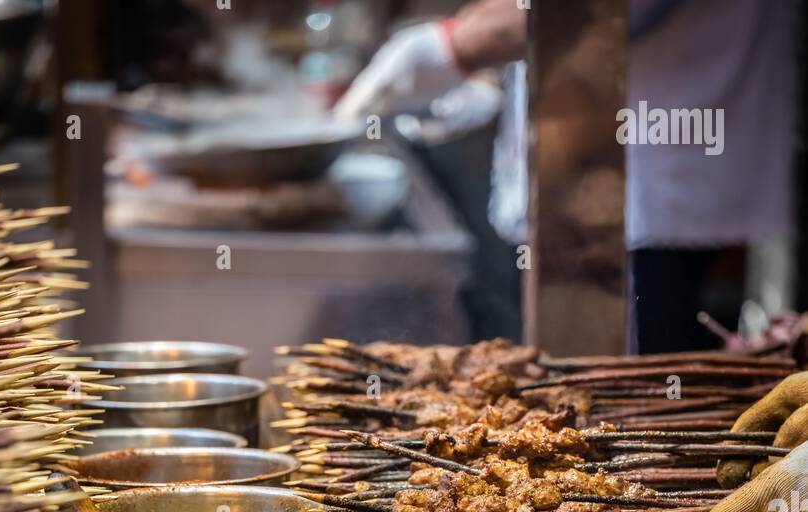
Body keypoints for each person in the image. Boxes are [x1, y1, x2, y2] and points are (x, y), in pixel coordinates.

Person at [336, 0, 796, 354]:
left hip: (649, 173)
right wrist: (498, 77)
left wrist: (456, 46)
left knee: (633, 391)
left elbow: (596, 7)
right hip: (599, 159)